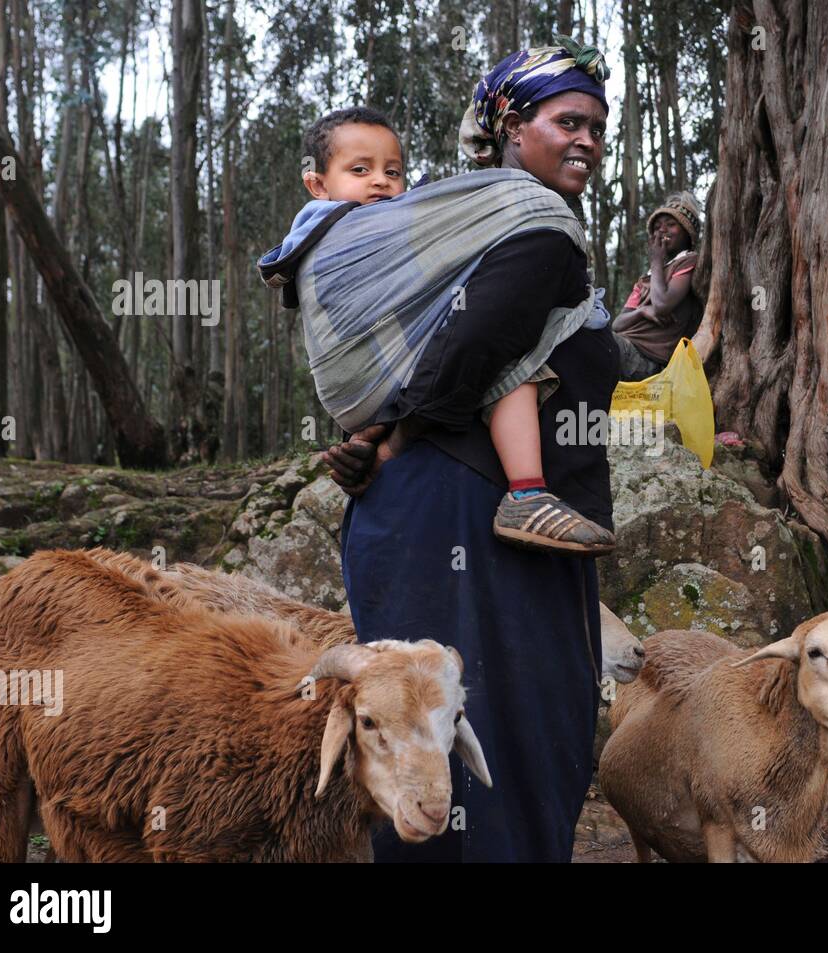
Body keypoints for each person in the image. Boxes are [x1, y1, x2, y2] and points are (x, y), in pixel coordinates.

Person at [322, 37, 618, 862]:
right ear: (512, 127)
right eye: (568, 121)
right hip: (471, 521)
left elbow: (522, 356)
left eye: (598, 125)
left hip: (477, 518)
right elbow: (464, 351)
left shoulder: (504, 231)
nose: (588, 139)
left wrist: (654, 317)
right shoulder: (533, 226)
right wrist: (390, 432)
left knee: (502, 735)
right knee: (489, 736)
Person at [261, 105, 613, 556]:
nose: (380, 181)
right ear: (317, 184)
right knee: (517, 372)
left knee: (515, 359)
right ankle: (526, 491)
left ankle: (527, 495)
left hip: (408, 434)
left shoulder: (440, 219)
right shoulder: (335, 234)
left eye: (393, 171)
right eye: (360, 169)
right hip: (405, 429)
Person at [611, 191, 704, 381]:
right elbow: (617, 324)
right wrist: (642, 311)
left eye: (671, 225)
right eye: (658, 227)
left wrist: (656, 260)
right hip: (625, 347)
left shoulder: (688, 261)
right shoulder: (647, 278)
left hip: (648, 360)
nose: (662, 231)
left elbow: (662, 306)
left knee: (589, 341)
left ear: (687, 233)